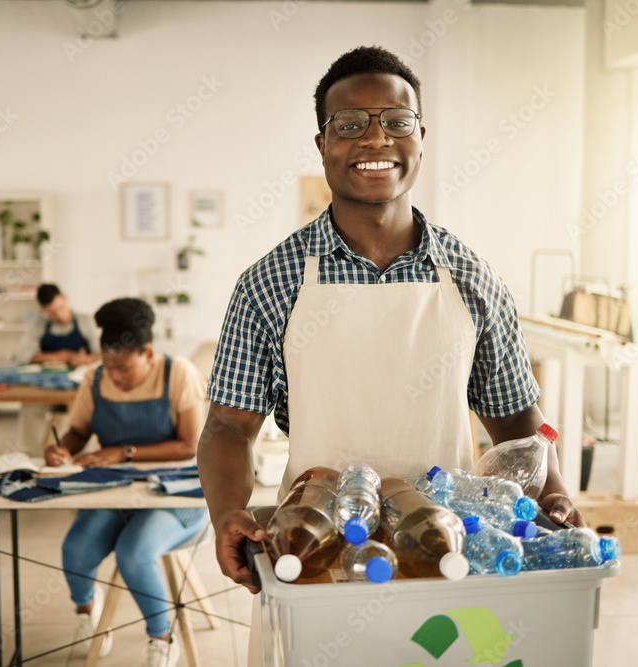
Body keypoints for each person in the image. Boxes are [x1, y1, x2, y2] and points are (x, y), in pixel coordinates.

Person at [197, 46, 585, 599]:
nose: (376, 140)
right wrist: (227, 511)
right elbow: (228, 429)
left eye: (396, 122)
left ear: (420, 137)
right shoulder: (269, 283)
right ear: (322, 144)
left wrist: (555, 496)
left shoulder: (473, 276)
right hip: (315, 550)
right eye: (350, 123)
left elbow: (517, 418)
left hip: (453, 547)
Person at [43, 298, 206, 667]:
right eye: (108, 365)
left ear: (148, 352)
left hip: (178, 494)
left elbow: (189, 445)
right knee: (76, 550)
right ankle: (87, 612)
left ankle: (162, 636)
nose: (115, 376)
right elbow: (79, 431)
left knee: (134, 553)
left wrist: (122, 452)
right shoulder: (95, 378)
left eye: (124, 368)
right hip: (115, 492)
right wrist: (60, 449)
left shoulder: (177, 371)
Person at [14, 283, 99, 366]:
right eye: (52, 313)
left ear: (65, 298)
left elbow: (101, 353)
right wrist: (58, 356)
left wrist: (87, 359)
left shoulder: (86, 321)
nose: (59, 315)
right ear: (43, 310)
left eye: (61, 308)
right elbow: (22, 356)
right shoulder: (39, 325)